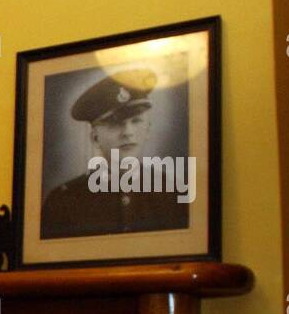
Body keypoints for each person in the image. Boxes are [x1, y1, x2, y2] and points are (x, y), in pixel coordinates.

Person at [40, 68, 190, 239]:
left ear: (148, 129)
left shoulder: (174, 192)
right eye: (115, 123)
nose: (128, 132)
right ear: (95, 137)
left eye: (136, 121)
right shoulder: (63, 202)